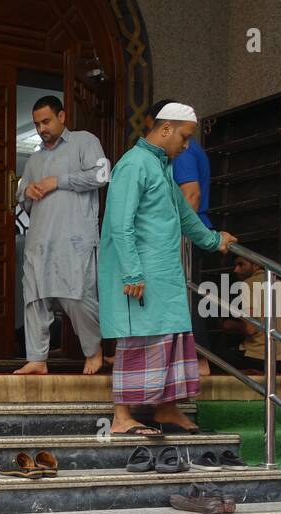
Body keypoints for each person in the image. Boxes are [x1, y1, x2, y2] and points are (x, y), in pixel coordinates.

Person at [97, 102, 237, 436]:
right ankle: (121, 418)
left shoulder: (161, 167)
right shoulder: (134, 164)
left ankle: (166, 408)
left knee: (171, 336)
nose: (186, 145)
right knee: (137, 339)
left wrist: (214, 240)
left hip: (163, 275)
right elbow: (120, 222)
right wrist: (132, 272)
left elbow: (185, 216)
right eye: (184, 137)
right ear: (165, 129)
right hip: (141, 275)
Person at [12, 96, 108, 376]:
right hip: (39, 241)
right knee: (34, 299)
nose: (42, 128)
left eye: (46, 121)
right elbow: (24, 196)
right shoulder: (35, 159)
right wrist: (25, 192)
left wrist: (60, 181)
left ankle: (93, 350)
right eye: (37, 124)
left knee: (78, 297)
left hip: (74, 240)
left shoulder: (84, 141)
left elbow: (102, 175)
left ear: (62, 117)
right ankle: (37, 359)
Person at [148, 98, 215, 375]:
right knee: (186, 296)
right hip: (189, 232)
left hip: (185, 234)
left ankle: (198, 360)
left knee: (185, 297)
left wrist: (174, 237)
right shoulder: (182, 149)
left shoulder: (183, 151)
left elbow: (191, 195)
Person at [211, 254, 281, 374]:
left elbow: (250, 329)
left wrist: (229, 325)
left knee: (208, 356)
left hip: (258, 360)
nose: (236, 270)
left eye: (241, 264)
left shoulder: (248, 284)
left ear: (256, 264)